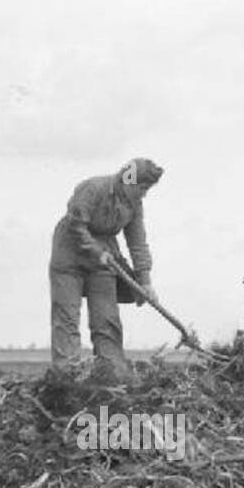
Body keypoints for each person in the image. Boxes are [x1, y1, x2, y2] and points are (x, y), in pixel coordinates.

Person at [49, 157, 164, 383]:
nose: (144, 194)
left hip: (104, 261)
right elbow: (75, 224)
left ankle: (111, 374)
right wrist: (95, 251)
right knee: (67, 317)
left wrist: (145, 281)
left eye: (147, 189)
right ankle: (67, 378)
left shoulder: (134, 206)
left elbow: (137, 242)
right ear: (129, 181)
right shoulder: (93, 189)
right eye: (142, 188)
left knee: (107, 318)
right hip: (69, 257)